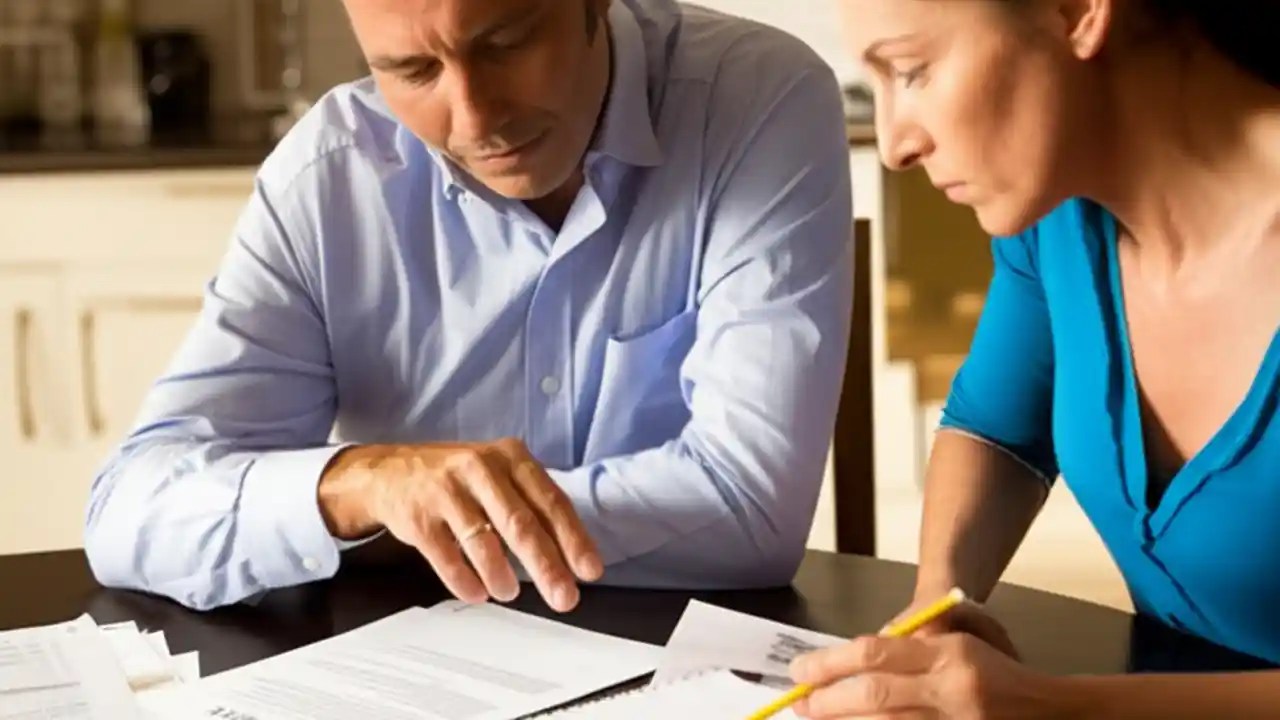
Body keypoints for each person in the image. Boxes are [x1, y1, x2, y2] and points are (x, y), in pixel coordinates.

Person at [83, 0, 854, 613]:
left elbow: (749, 509)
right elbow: (130, 512)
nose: (476, 118)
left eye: (505, 42)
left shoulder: (759, 103)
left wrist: (433, 525)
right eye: (413, 70)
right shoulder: (329, 179)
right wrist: (359, 485)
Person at [787, 0, 1280, 718]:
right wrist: (936, 608)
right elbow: (998, 429)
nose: (893, 144)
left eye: (913, 71)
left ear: (1077, 11)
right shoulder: (1058, 222)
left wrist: (1062, 706)